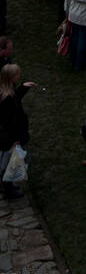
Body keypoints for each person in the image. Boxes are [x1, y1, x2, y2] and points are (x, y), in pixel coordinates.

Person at [0, 65, 35, 199]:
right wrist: (15, 140)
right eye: (17, 75)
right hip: (11, 136)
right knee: (10, 162)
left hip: (10, 135)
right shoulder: (7, 98)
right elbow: (9, 121)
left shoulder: (6, 90)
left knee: (9, 161)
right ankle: (8, 189)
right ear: (11, 77)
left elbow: (16, 97)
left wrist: (24, 87)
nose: (18, 76)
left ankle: (7, 186)